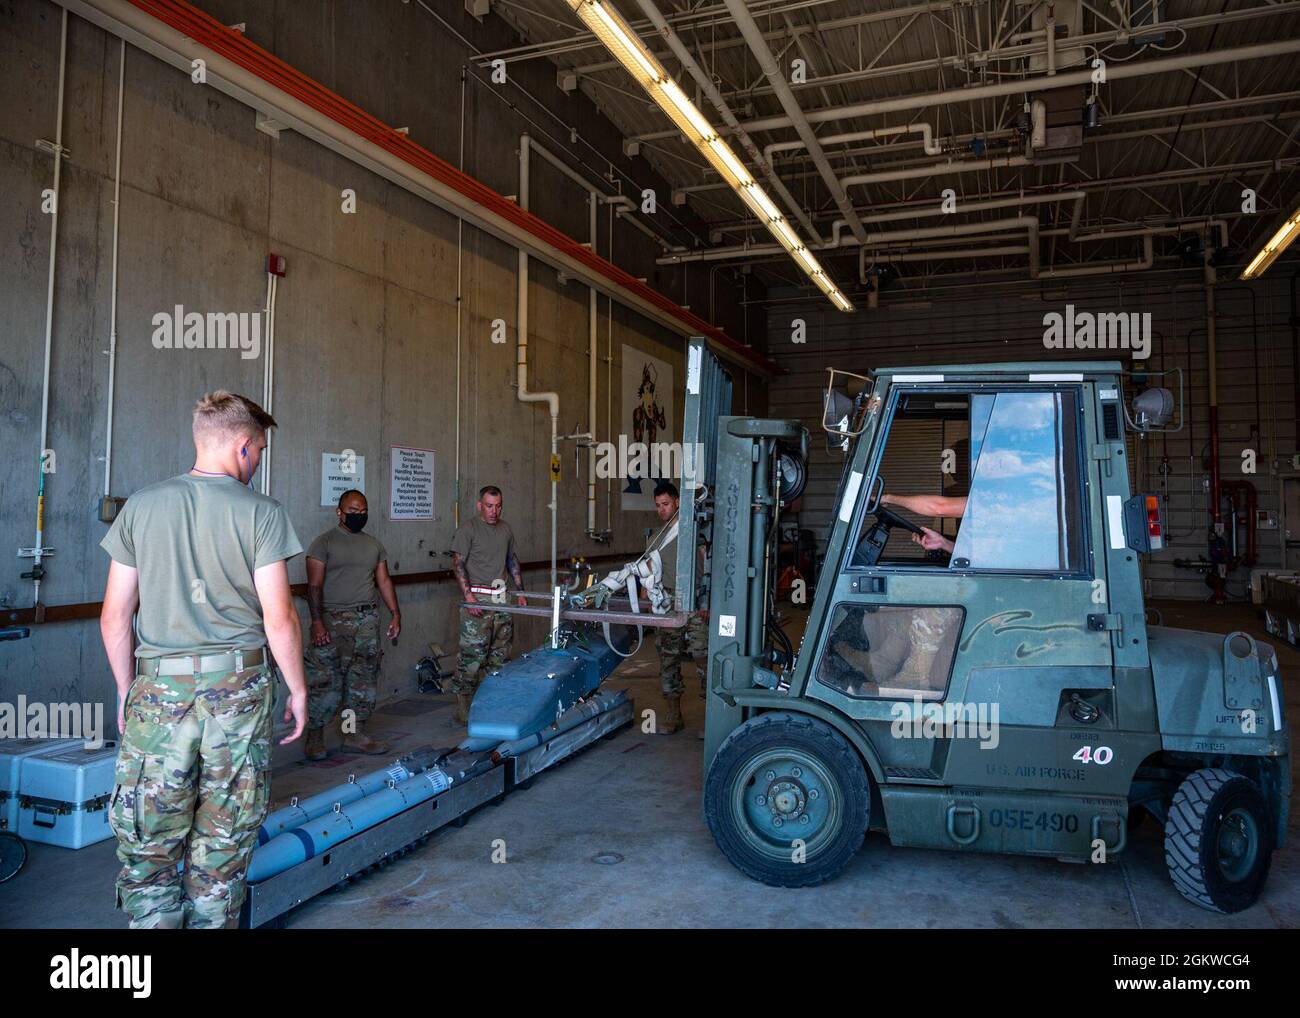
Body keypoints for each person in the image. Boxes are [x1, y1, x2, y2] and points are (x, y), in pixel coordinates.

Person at [99, 391, 307, 929]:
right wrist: (299, 689)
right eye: (258, 449)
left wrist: (127, 690)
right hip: (236, 692)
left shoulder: (142, 506)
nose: (258, 460)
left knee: (149, 835)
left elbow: (115, 617)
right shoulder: (262, 513)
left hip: (156, 693)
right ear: (242, 446)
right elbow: (279, 617)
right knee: (223, 834)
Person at [302, 489, 399, 760]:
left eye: (363, 511)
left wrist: (395, 613)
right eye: (353, 511)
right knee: (325, 681)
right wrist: (317, 623)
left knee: (362, 681)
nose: (359, 515)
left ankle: (353, 735)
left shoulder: (374, 545)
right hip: (332, 621)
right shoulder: (323, 544)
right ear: (340, 512)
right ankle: (315, 737)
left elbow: (384, 582)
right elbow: (313, 586)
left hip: (366, 621)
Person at [450, 485, 527, 724]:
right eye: (489, 506)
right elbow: (458, 564)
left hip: (501, 599)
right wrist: (468, 597)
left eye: (498, 506)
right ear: (480, 505)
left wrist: (520, 591)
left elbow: (512, 560)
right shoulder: (468, 529)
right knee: (472, 658)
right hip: (477, 599)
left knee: (500, 657)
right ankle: (464, 711)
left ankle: (493, 705)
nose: (494, 511)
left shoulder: (506, 529)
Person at [650, 480, 709, 735]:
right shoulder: (656, 539)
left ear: (677, 503)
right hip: (667, 603)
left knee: (702, 656)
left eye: (665, 504)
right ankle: (674, 715)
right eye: (658, 506)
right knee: (668, 658)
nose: (662, 510)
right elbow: (651, 576)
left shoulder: (695, 532)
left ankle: (712, 717)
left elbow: (709, 568)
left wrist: (708, 601)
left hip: (694, 600)